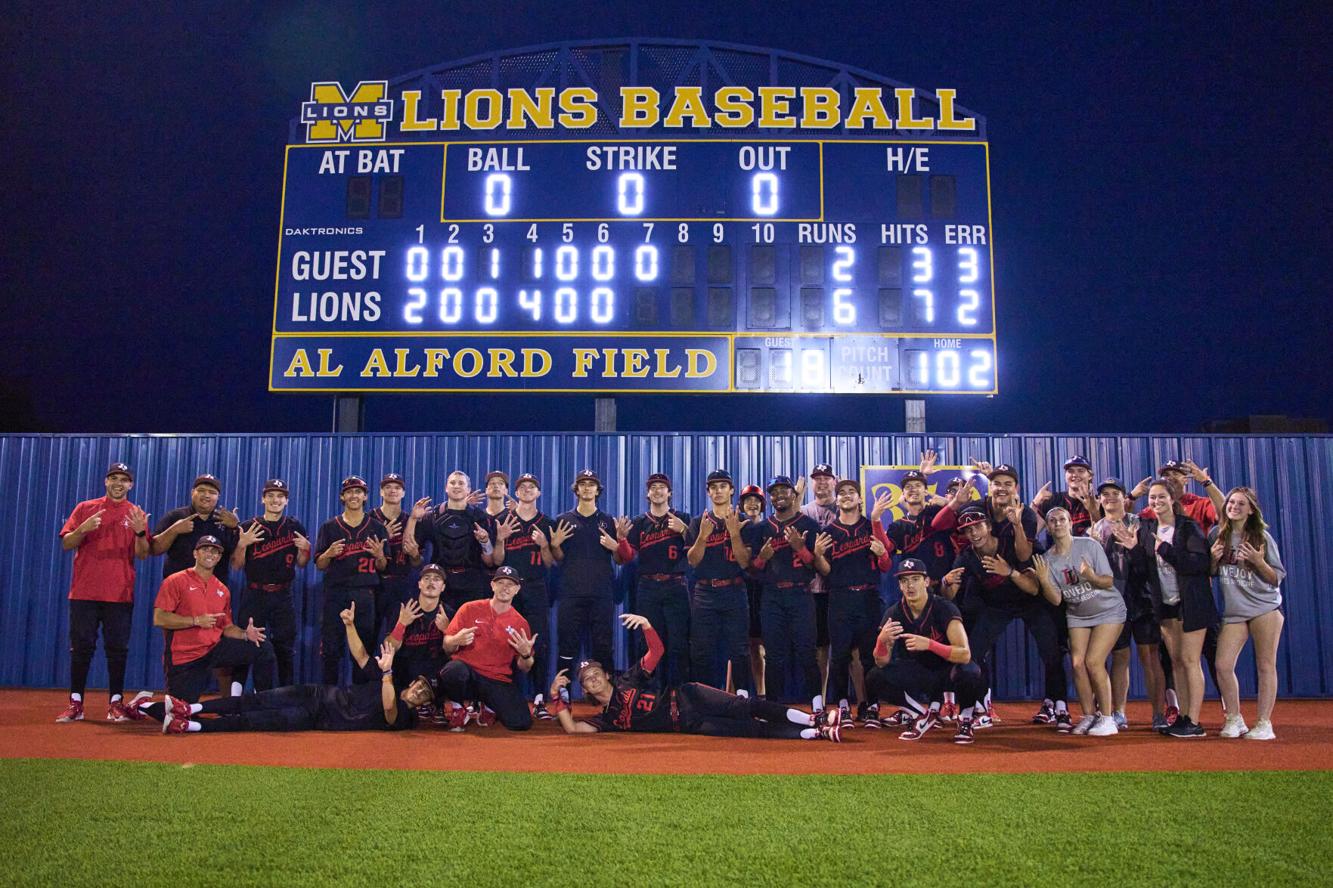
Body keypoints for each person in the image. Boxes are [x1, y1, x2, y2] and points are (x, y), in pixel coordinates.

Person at [549, 613, 841, 741]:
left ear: (607, 675)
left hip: (689, 696)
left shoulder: (628, 680)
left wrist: (648, 625)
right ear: (585, 689)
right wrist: (556, 697)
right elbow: (572, 729)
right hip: (691, 724)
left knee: (746, 705)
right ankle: (816, 734)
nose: (594, 679)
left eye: (596, 673)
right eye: (587, 678)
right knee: (750, 730)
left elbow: (657, 651)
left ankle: (812, 718)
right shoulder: (607, 719)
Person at [155, 600, 429, 733]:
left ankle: (191, 726)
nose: (419, 691)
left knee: (253, 722)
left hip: (318, 718)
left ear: (423, 703)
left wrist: (388, 674)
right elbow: (359, 655)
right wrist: (349, 625)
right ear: (414, 681)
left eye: (424, 694)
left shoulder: (407, 715)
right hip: (317, 693)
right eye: (420, 685)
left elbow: (390, 709)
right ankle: (189, 709)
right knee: (255, 701)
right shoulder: (387, 677)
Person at [934, 464, 1065, 723]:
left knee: (1051, 649)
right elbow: (948, 594)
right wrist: (946, 583)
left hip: (1030, 597)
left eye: (1008, 483)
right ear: (989, 487)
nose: (973, 531)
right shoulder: (968, 552)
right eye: (996, 483)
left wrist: (1010, 569)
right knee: (971, 652)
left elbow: (1028, 568)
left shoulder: (1022, 516)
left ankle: (1056, 705)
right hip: (996, 603)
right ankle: (974, 708)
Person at [55, 462, 152, 723]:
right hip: (84, 593)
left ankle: (116, 704)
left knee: (117, 649)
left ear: (130, 485)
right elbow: (66, 543)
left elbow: (143, 554)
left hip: (119, 595)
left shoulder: (135, 514)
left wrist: (140, 532)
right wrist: (82, 529)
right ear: (106, 481)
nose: (118, 483)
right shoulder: (85, 508)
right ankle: (76, 704)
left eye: (124, 479)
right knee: (81, 648)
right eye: (114, 478)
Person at [1132, 459, 1225, 725]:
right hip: (1167, 605)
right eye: (1152, 497)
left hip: (1193, 602)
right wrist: (1135, 549)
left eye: (1162, 496)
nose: (1156, 501)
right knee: (1176, 662)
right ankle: (1183, 716)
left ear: (1173, 499)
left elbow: (1198, 563)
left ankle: (1199, 719)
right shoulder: (1149, 528)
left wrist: (1164, 549)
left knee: (1191, 660)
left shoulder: (1188, 526)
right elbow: (1147, 569)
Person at [866, 559, 986, 744]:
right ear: (899, 585)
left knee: (969, 671)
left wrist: (930, 644)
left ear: (927, 581)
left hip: (948, 673)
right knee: (875, 677)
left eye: (915, 579)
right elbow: (881, 662)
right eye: (904, 581)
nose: (910, 585)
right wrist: (881, 642)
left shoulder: (944, 608)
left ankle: (965, 720)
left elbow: (965, 654)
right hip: (922, 672)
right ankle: (921, 714)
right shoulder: (894, 613)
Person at [1031, 508, 1122, 736]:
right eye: (1052, 520)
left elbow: (1108, 581)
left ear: (1070, 523)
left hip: (1108, 610)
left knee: (1093, 662)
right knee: (1077, 664)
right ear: (1049, 527)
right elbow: (1057, 599)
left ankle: (1108, 719)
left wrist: (1090, 576)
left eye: (1062, 519)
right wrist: (1043, 580)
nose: (1058, 523)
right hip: (1078, 613)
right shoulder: (1048, 559)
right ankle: (1089, 715)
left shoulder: (1089, 545)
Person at [152, 535, 276, 702]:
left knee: (263, 647)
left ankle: (262, 703)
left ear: (219, 558)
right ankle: (141, 705)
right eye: (205, 550)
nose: (210, 554)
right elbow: (159, 618)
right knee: (181, 712)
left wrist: (245, 634)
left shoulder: (222, 589)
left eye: (214, 552)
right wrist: (195, 621)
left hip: (213, 650)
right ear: (195, 554)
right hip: (185, 657)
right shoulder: (175, 581)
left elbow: (226, 627)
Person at [1089, 478, 1167, 730]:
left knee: (1150, 656)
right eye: (1105, 494)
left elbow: (1151, 564)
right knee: (1119, 657)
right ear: (1099, 500)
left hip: (1143, 600)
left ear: (1125, 498)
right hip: (1112, 604)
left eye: (1115, 493)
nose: (1109, 497)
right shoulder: (1094, 531)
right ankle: (1119, 712)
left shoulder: (1143, 525)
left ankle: (1158, 714)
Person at [815, 478, 894, 726]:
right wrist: (817, 555)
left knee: (869, 656)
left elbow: (886, 565)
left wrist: (882, 554)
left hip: (869, 596)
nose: (847, 496)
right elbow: (825, 571)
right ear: (836, 500)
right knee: (839, 655)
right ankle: (842, 706)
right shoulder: (828, 532)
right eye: (842, 493)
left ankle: (870, 706)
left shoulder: (870, 527)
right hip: (839, 597)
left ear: (860, 499)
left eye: (852, 492)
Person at [1210, 487, 1286, 740]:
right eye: (1231, 502)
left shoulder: (1262, 537)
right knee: (1222, 665)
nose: (1234, 507)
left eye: (1241, 504)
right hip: (1235, 611)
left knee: (1265, 665)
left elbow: (1276, 578)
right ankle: (1234, 718)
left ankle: (1264, 723)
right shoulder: (1217, 534)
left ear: (1251, 509)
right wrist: (1212, 558)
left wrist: (1258, 561)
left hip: (1264, 607)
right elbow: (1211, 573)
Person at [748, 476, 822, 710]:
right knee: (774, 654)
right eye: (774, 492)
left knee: (807, 652)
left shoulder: (808, 525)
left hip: (801, 594)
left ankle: (817, 707)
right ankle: (773, 709)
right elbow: (752, 570)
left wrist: (800, 549)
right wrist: (762, 558)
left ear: (794, 494)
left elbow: (815, 566)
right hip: (771, 596)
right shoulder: (761, 528)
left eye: (784, 491)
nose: (779, 495)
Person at [437, 565, 538, 731]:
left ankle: (488, 706)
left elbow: (525, 667)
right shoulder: (469, 608)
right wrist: (455, 639)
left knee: (521, 722)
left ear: (517, 589)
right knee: (452, 670)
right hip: (467, 674)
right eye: (501, 583)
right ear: (492, 585)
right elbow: (447, 646)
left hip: (496, 679)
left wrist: (526, 655)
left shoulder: (521, 623)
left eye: (510, 584)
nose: (505, 588)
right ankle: (457, 709)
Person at [230, 478, 310, 688]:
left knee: (285, 647)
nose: (276, 500)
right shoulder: (248, 527)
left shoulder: (294, 527)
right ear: (263, 498)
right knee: (246, 644)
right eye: (271, 495)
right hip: (255, 593)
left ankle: (285, 697)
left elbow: (301, 564)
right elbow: (236, 566)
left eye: (280, 496)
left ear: (286, 501)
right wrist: (242, 544)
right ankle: (237, 700)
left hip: (283, 595)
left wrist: (306, 549)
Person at [618, 473, 692, 687]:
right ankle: (651, 693)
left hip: (676, 585)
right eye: (653, 487)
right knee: (648, 642)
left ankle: (678, 694)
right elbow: (628, 556)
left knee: (678, 643)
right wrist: (622, 539)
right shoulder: (639, 522)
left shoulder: (683, 518)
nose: (657, 491)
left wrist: (684, 530)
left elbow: (697, 551)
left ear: (669, 492)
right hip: (648, 587)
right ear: (647, 493)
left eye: (662, 487)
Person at [490, 472, 555, 717]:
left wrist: (544, 546)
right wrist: (500, 540)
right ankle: (507, 696)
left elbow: (549, 564)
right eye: (522, 487)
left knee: (539, 641)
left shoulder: (546, 522)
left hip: (536, 586)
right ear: (515, 493)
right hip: (509, 590)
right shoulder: (504, 521)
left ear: (538, 493)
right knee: (504, 640)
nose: (527, 490)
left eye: (532, 487)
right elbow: (496, 561)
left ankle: (539, 698)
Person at [315, 476, 389, 684]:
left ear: (365, 496)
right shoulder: (329, 527)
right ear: (342, 496)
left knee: (362, 651)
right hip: (335, 594)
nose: (354, 495)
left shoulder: (377, 527)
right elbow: (320, 564)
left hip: (364, 594)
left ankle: (358, 702)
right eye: (349, 492)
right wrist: (328, 553)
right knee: (331, 650)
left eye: (358, 491)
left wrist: (379, 556)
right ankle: (329, 701)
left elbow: (383, 566)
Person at [685, 470, 754, 695]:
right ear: (708, 492)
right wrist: (703, 536)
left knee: (740, 650)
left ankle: (743, 698)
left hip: (734, 590)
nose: (718, 491)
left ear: (732, 490)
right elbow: (693, 561)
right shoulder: (698, 523)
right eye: (713, 487)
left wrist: (734, 534)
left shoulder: (743, 521)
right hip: (705, 591)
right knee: (702, 651)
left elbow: (745, 562)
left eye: (723, 486)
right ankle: (705, 699)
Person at [549, 469, 621, 680]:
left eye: (591, 484)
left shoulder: (608, 521)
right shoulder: (563, 519)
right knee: (567, 646)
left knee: (603, 646)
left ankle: (607, 701)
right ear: (577, 489)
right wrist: (554, 545)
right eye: (583, 484)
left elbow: (618, 559)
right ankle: (563, 697)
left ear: (598, 490)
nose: (587, 487)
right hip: (571, 593)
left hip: (601, 593)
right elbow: (558, 557)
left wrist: (616, 546)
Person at [405, 471, 497, 615]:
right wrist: (413, 519)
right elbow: (410, 550)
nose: (456, 486)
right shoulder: (433, 516)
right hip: (442, 583)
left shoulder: (481, 518)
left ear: (468, 489)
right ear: (446, 488)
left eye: (461, 483)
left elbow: (491, 561)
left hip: (472, 582)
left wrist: (485, 542)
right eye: (452, 483)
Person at [151, 474, 240, 587]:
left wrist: (235, 527)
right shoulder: (175, 516)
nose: (206, 495)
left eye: (212, 492)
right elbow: (154, 549)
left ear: (218, 496)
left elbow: (236, 563)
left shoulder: (226, 521)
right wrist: (174, 530)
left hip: (213, 592)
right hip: (178, 589)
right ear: (192, 492)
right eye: (201, 490)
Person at [799, 464, 839, 704]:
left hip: (840, 588)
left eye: (826, 478)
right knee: (818, 646)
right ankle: (820, 699)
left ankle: (851, 703)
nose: (822, 482)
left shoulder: (846, 508)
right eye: (817, 479)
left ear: (834, 482)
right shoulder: (803, 511)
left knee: (849, 649)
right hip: (811, 590)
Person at [384, 563, 449, 703]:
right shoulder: (403, 609)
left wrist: (447, 631)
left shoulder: (448, 613)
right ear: (419, 584)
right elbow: (389, 648)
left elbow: (453, 652)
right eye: (427, 578)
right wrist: (401, 624)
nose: (431, 582)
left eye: (436, 579)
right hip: (406, 670)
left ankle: (441, 704)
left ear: (443, 587)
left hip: (434, 672)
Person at [369, 473, 422, 639]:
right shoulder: (369, 519)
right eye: (388, 487)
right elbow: (360, 555)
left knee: (398, 637)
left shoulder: (411, 520)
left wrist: (414, 554)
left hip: (401, 584)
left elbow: (417, 562)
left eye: (397, 487)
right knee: (368, 636)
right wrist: (384, 537)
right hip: (373, 584)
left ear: (403, 493)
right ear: (381, 492)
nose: (393, 491)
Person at [738, 484, 767, 695]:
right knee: (738, 645)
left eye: (756, 501)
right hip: (740, 589)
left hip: (764, 590)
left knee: (760, 646)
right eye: (748, 500)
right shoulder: (734, 528)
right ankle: (733, 694)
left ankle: (762, 694)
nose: (752, 504)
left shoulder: (769, 528)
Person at [1031, 455, 1101, 536]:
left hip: (1087, 548)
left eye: (1080, 471)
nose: (1074, 475)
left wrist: (1094, 512)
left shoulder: (1098, 502)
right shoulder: (1052, 500)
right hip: (1057, 548)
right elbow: (1030, 533)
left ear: (1090, 476)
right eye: (1070, 471)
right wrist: (1034, 503)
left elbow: (1102, 536)